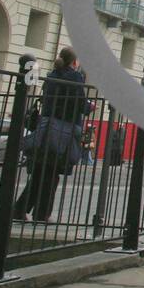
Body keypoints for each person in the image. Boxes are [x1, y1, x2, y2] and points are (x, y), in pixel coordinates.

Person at [14, 47, 89, 223]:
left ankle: (19, 210)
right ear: (74, 62)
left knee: (41, 172)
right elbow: (79, 103)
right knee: (51, 174)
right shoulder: (75, 76)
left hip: (47, 126)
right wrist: (89, 108)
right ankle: (42, 214)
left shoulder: (51, 75)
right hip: (64, 129)